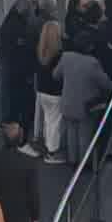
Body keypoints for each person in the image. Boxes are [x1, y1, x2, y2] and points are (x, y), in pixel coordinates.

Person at [32, 20, 71, 153]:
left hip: (42, 91)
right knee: (55, 123)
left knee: (48, 120)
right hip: (56, 93)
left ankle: (47, 145)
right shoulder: (60, 54)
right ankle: (52, 152)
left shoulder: (39, 51)